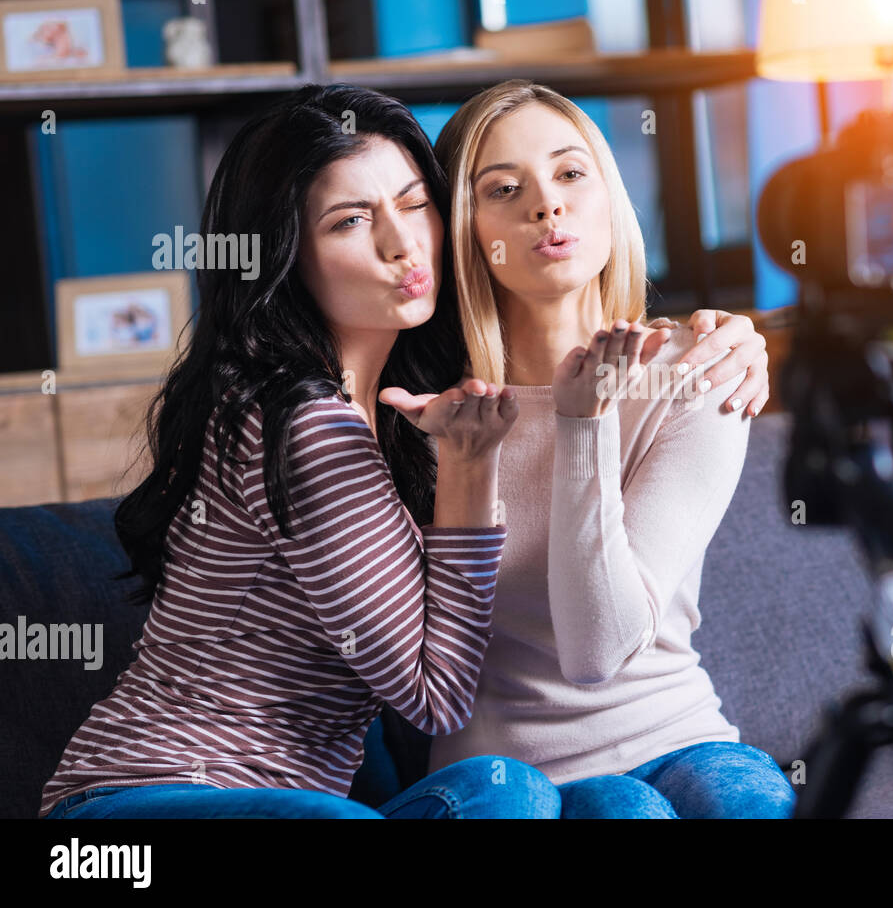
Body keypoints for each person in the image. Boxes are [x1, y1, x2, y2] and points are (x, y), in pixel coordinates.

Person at [40, 83, 560, 819]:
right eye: (349, 221)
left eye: (415, 205)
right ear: (287, 255)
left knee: (542, 794)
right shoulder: (299, 417)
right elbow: (436, 695)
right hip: (137, 803)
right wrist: (472, 469)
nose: (401, 243)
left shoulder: (391, 418)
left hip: (291, 804)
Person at [389, 79, 794, 818]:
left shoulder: (700, 372)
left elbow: (606, 646)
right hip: (506, 782)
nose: (547, 205)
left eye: (571, 173)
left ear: (609, 196)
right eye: (504, 189)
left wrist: (589, 421)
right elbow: (590, 654)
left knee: (750, 803)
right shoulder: (431, 413)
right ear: (463, 231)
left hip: (682, 739)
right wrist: (582, 423)